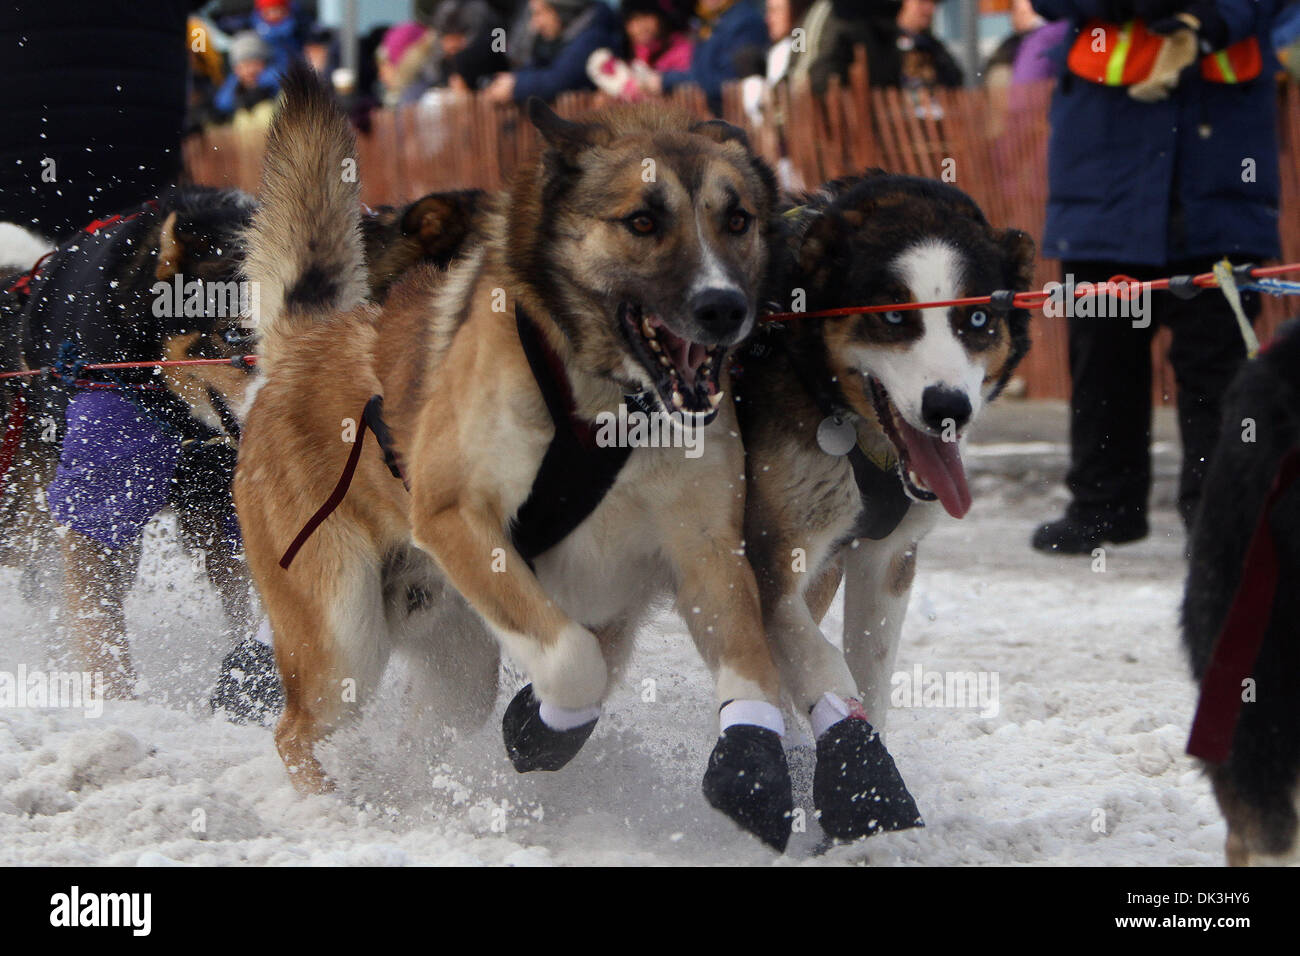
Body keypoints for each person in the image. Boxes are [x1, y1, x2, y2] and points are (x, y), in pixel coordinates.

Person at [1030, 0, 1281, 553]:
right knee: (1102, 354)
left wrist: (1214, 17)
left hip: (1218, 184)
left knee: (1218, 367)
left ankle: (1219, 522)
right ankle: (1103, 507)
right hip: (1104, 181)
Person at [809, 0, 963, 92]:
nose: (930, 10)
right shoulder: (873, 38)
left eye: (934, 3)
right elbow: (824, 76)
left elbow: (955, 81)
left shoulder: (934, 48)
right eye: (923, 2)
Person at [484, 0, 622, 102]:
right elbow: (537, 66)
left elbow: (559, 79)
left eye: (539, 14)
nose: (534, 24)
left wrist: (515, 86)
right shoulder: (554, 41)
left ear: (560, 11)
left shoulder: (593, 38)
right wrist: (510, 80)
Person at [658, 0, 770, 110]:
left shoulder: (745, 21)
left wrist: (666, 81)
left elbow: (727, 83)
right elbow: (700, 72)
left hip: (731, 118)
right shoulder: (712, 20)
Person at [587, 0, 693, 101]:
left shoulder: (684, 52)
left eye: (647, 16)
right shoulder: (622, 58)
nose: (641, 26)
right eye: (634, 19)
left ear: (661, 18)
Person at [427, 0, 510, 92]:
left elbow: (497, 44)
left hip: (490, 74)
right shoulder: (447, 7)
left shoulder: (481, 9)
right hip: (462, 72)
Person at [984, 0, 1069, 86]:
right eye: (1016, 11)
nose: (1021, 17)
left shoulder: (1049, 38)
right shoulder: (1008, 45)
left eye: (1025, 12)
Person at [211, 31, 281, 129]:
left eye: (254, 64)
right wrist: (239, 94)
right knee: (241, 117)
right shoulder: (234, 83)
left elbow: (276, 81)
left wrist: (260, 88)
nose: (249, 70)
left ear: (264, 64)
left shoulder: (273, 77)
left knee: (264, 111)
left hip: (270, 121)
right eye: (243, 66)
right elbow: (222, 103)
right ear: (236, 69)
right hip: (244, 129)